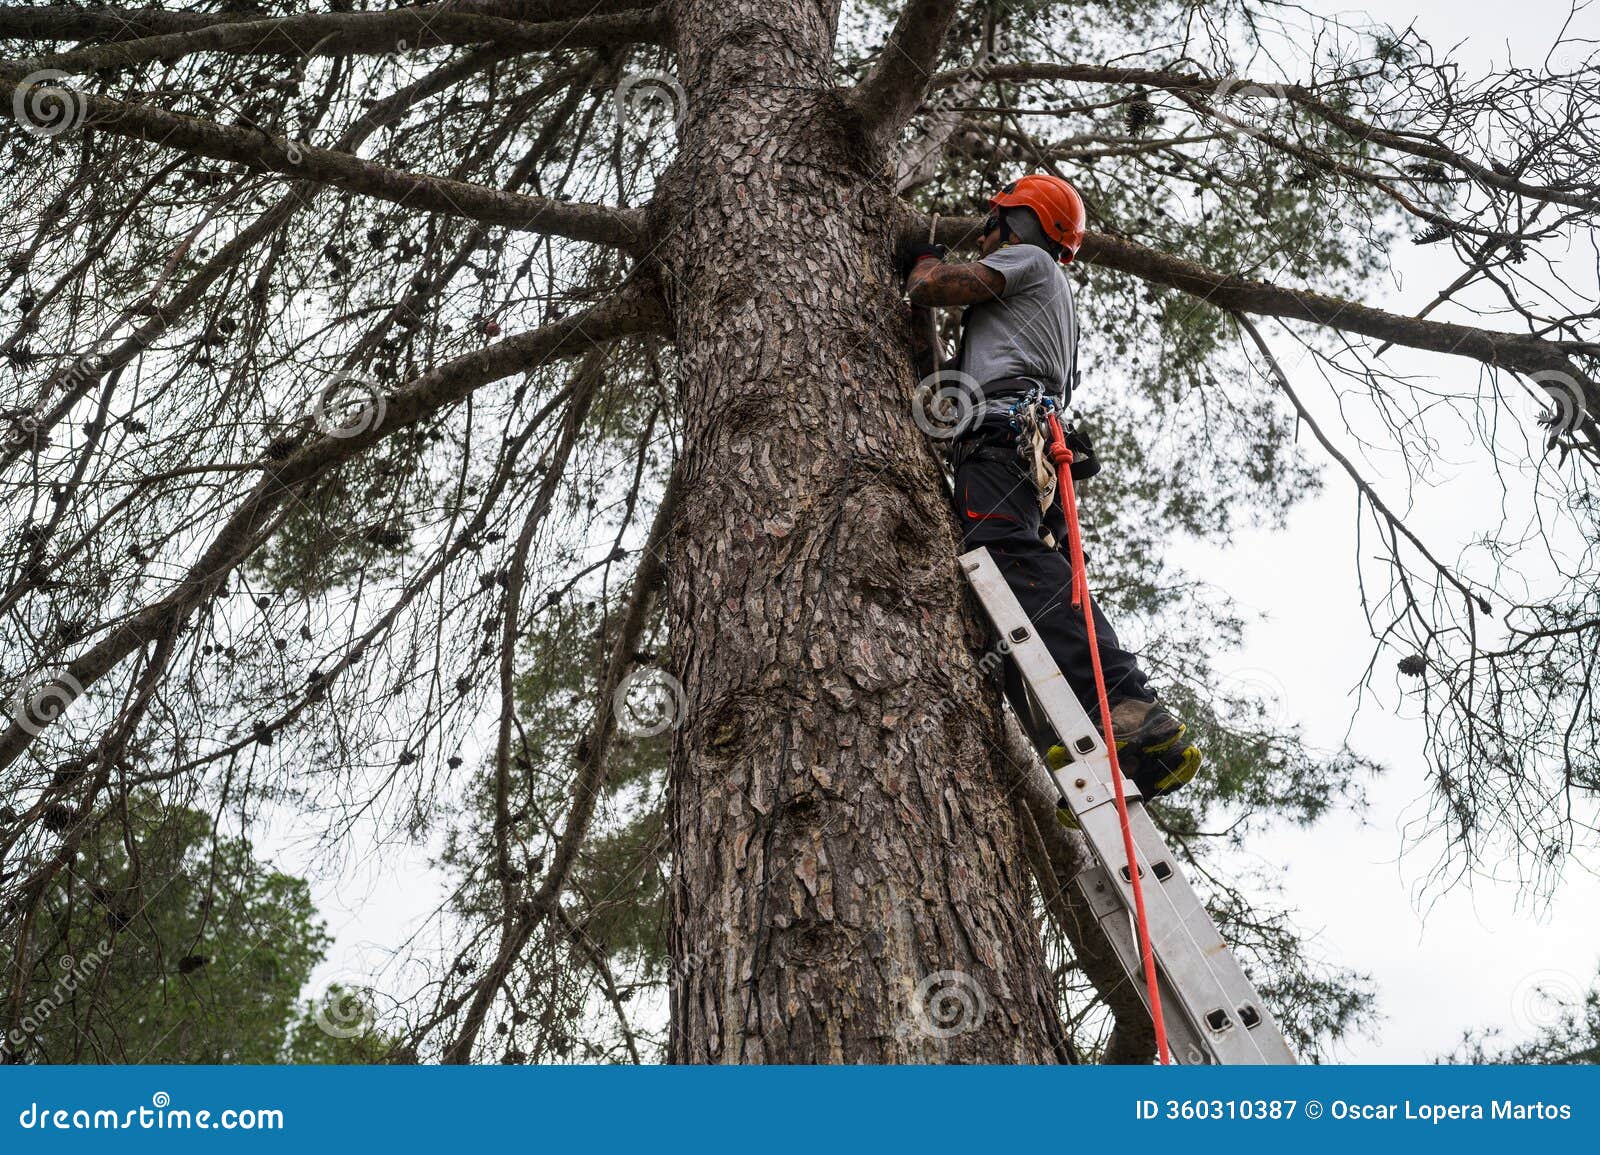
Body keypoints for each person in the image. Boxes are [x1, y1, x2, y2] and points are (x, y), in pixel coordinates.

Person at [902, 174, 1200, 798]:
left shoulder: (1029, 261)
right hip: (1025, 445)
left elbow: (936, 286)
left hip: (1006, 437)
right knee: (1023, 588)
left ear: (1025, 223)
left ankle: (1128, 709)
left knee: (1008, 557)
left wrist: (922, 259)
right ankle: (1099, 741)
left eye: (995, 222)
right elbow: (937, 392)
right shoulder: (1029, 315)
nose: (985, 235)